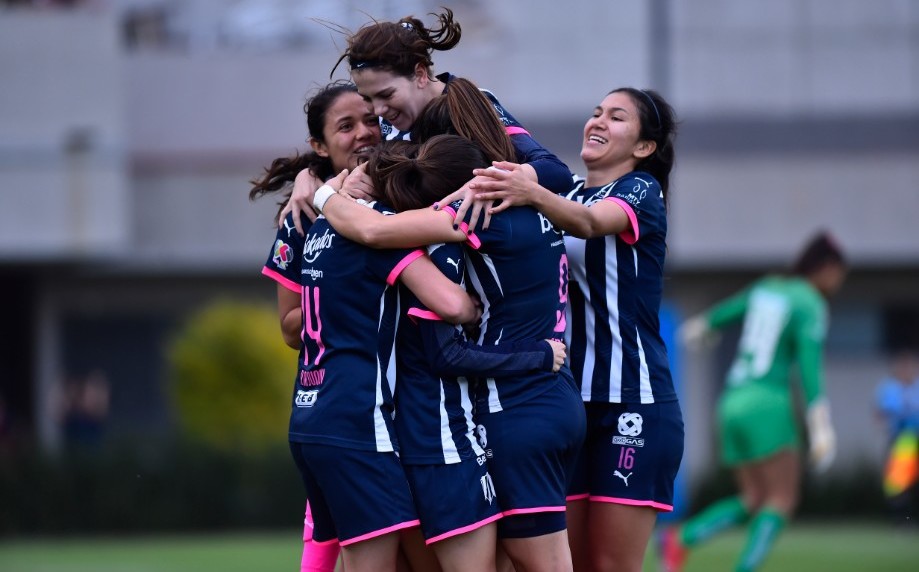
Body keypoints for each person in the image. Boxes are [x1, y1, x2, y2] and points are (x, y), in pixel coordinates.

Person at [311, 134, 586, 571]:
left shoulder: (468, 222)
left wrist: (322, 191)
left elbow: (375, 231)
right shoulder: (537, 207)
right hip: (553, 398)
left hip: (497, 416)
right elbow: (552, 167)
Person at [461, 88, 683, 572]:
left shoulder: (641, 190)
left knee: (609, 565)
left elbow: (586, 223)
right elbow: (511, 137)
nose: (598, 121)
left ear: (644, 147)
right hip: (567, 403)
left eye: (617, 117)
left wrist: (532, 190)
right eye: (596, 112)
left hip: (633, 400)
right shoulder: (566, 193)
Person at [280, 7, 573, 234]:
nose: (378, 110)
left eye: (386, 94)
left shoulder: (471, 105)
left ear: (420, 74)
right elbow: (351, 160)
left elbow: (555, 172)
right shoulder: (390, 120)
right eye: (368, 98)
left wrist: (488, 183)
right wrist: (308, 177)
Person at [657, 231, 848, 572]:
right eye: (838, 275)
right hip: (768, 403)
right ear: (826, 268)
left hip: (732, 401)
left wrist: (700, 328)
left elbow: (726, 312)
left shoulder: (768, 287)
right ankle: (744, 568)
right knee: (782, 499)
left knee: (754, 499)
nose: (837, 284)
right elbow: (809, 365)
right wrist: (820, 424)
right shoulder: (809, 302)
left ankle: (680, 539)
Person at [252, 80, 381, 572]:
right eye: (345, 127)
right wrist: (345, 288)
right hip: (336, 408)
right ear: (320, 147)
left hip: (412, 408)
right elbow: (288, 326)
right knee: (324, 553)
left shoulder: (409, 193)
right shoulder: (302, 219)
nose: (364, 133)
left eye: (370, 120)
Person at [875, 350, 919, 526]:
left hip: (915, 439)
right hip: (903, 441)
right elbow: (882, 412)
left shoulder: (916, 387)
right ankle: (901, 518)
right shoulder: (891, 388)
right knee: (899, 482)